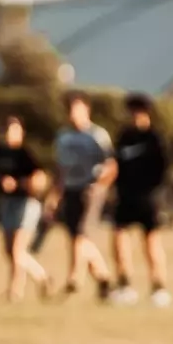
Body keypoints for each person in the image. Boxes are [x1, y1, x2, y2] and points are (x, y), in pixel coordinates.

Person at [0, 115, 50, 301]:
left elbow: (40, 180)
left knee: (18, 249)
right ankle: (41, 276)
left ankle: (15, 290)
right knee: (10, 250)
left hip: (26, 203)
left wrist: (18, 184)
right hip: (6, 202)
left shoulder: (26, 154)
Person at [52, 92, 116, 300]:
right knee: (75, 238)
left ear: (86, 110)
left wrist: (100, 185)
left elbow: (111, 164)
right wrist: (56, 193)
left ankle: (74, 279)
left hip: (90, 190)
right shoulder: (64, 137)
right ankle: (103, 276)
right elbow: (60, 168)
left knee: (81, 236)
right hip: (70, 189)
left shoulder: (97, 136)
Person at [110, 93, 172, 306]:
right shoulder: (124, 137)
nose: (135, 117)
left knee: (151, 242)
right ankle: (124, 284)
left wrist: (153, 193)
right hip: (125, 196)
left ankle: (159, 287)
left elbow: (163, 170)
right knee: (119, 239)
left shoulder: (155, 139)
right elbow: (115, 164)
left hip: (148, 198)